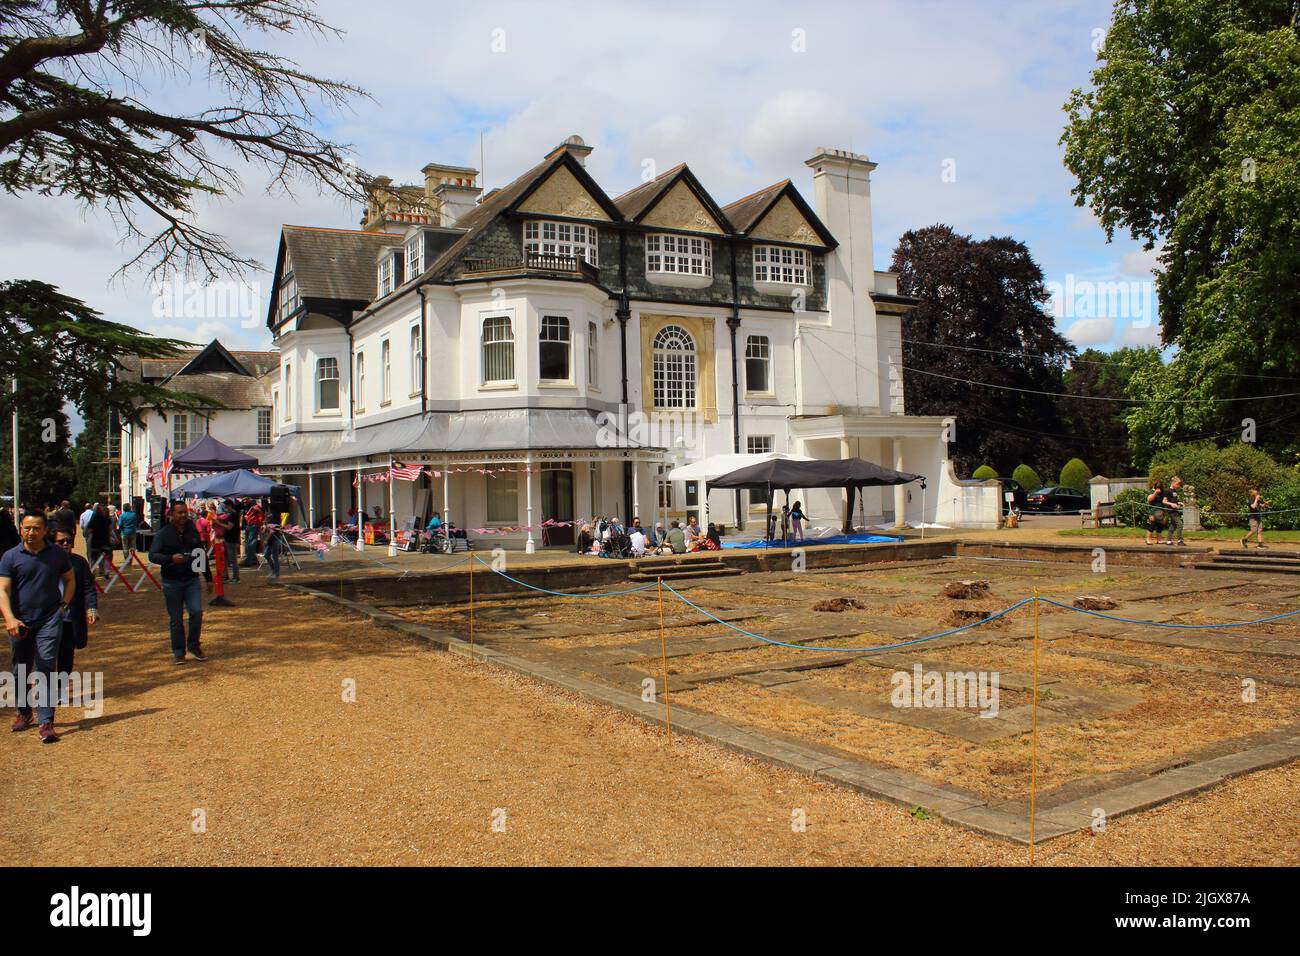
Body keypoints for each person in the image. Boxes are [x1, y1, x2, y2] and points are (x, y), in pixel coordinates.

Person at [1, 512, 75, 742]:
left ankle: (46, 721)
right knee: (19, 668)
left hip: (49, 618)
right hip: (21, 621)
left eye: (36, 528)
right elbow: (2, 590)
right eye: (27, 528)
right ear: (21, 529)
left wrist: (63, 606)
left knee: (45, 665)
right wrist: (10, 618)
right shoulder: (10, 556)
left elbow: (70, 579)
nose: (31, 532)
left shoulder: (56, 555)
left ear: (44, 530)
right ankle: (24, 712)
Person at [148, 500, 208, 664]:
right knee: (176, 618)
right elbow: (152, 555)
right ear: (171, 514)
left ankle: (194, 645)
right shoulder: (163, 534)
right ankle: (178, 652)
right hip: (171, 581)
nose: (183, 515)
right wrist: (170, 558)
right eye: (179, 512)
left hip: (191, 579)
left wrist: (208, 577)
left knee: (196, 612)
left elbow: (200, 553)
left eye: (185, 512)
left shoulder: (192, 530)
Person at [52, 529, 96, 703]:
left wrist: (91, 608)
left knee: (65, 656)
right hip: (46, 618)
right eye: (60, 541)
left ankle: (60, 690)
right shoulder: (44, 562)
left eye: (68, 541)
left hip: (69, 618)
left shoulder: (79, 562)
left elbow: (89, 586)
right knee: (45, 656)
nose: (65, 544)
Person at [86, 502, 112, 574]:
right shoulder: (107, 520)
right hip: (105, 540)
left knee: (94, 557)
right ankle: (106, 571)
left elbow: (89, 529)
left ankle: (93, 571)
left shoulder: (93, 520)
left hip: (95, 540)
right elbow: (110, 530)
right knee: (106, 557)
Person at [219, 499, 241, 583]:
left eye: (225, 506)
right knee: (225, 558)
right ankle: (225, 576)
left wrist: (218, 523)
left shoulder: (233, 515)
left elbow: (229, 527)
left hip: (231, 540)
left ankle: (236, 577)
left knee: (233, 559)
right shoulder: (233, 514)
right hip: (228, 539)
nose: (225, 508)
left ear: (229, 506)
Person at [1162, 476, 1185, 547]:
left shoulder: (1175, 491)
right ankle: (1180, 541)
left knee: (1173, 525)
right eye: (1177, 484)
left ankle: (1168, 541)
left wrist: (1179, 503)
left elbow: (1175, 500)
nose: (1178, 486)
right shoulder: (1167, 490)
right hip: (1171, 511)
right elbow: (1164, 501)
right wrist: (1171, 504)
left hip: (1175, 510)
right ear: (1173, 483)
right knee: (1180, 524)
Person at [242, 499, 264, 567]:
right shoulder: (247, 506)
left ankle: (249, 561)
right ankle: (253, 559)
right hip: (249, 525)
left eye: (246, 500)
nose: (245, 502)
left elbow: (261, 514)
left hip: (253, 525)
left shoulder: (255, 507)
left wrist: (260, 523)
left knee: (251, 542)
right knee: (248, 543)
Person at [1144, 480, 1165, 546]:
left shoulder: (1162, 492)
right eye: (1158, 488)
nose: (1159, 489)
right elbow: (1149, 499)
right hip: (1152, 511)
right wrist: (1155, 493)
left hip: (1160, 511)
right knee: (1151, 525)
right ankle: (1148, 539)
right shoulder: (1152, 491)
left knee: (1160, 526)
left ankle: (1159, 540)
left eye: (1160, 488)